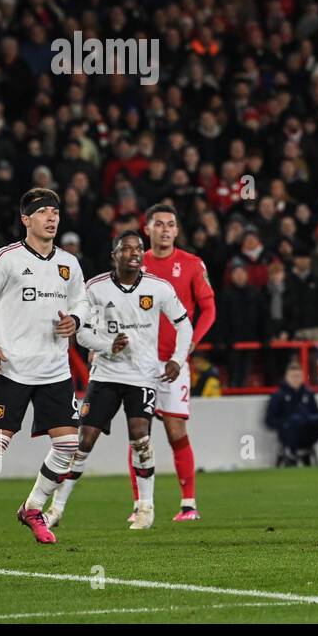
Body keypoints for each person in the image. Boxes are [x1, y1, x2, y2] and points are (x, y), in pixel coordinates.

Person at [0, 188, 85, 548]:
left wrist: (75, 319)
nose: (52, 218)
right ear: (26, 219)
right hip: (12, 368)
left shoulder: (69, 264)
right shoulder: (5, 259)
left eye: (55, 212)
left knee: (68, 446)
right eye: (43, 212)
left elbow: (83, 302)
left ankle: (33, 508)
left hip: (55, 371)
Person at [45, 231, 191, 529]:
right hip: (107, 375)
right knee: (82, 442)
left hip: (142, 377)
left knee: (141, 438)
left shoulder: (159, 288)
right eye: (127, 249)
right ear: (115, 255)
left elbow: (184, 325)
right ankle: (56, 509)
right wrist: (106, 345)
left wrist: (177, 359)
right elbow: (80, 330)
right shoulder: (95, 288)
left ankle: (146, 509)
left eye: (139, 248)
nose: (135, 253)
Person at [128, 203, 216, 522]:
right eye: (159, 224)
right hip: (138, 362)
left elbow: (208, 308)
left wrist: (191, 344)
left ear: (177, 231)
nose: (165, 230)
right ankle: (140, 505)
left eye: (171, 225)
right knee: (139, 431)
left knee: (176, 430)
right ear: (147, 229)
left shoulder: (191, 265)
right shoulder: (135, 264)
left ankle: (189, 504)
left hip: (174, 362)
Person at [267, 362, 318, 466]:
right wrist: (286, 423)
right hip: (289, 435)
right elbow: (269, 420)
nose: (296, 379)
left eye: (298, 376)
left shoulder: (308, 394)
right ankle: (291, 455)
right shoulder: (278, 395)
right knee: (295, 420)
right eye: (293, 376)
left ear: (303, 377)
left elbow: (316, 413)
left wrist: (308, 418)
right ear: (286, 377)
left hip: (308, 434)